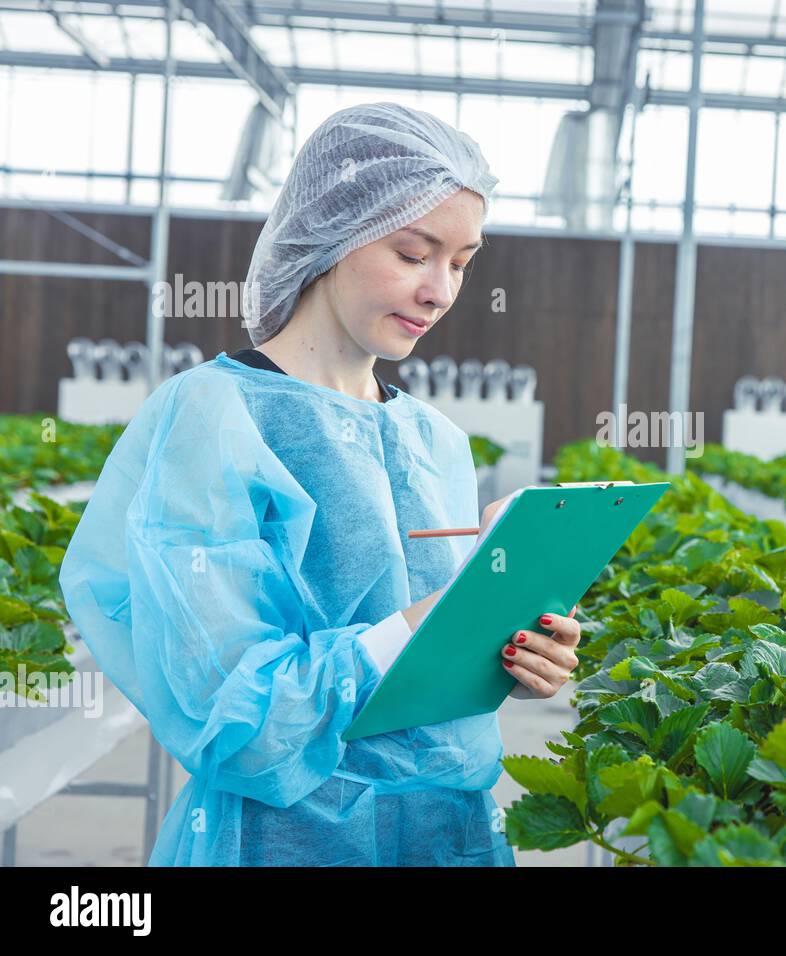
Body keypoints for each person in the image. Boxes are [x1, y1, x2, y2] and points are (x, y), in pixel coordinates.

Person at [58, 102, 582, 866]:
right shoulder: (215, 415)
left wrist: (511, 652)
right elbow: (232, 717)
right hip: (285, 838)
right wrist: (433, 620)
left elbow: (430, 681)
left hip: (452, 833)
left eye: (463, 262)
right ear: (331, 231)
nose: (440, 290)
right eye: (413, 252)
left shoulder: (434, 439)